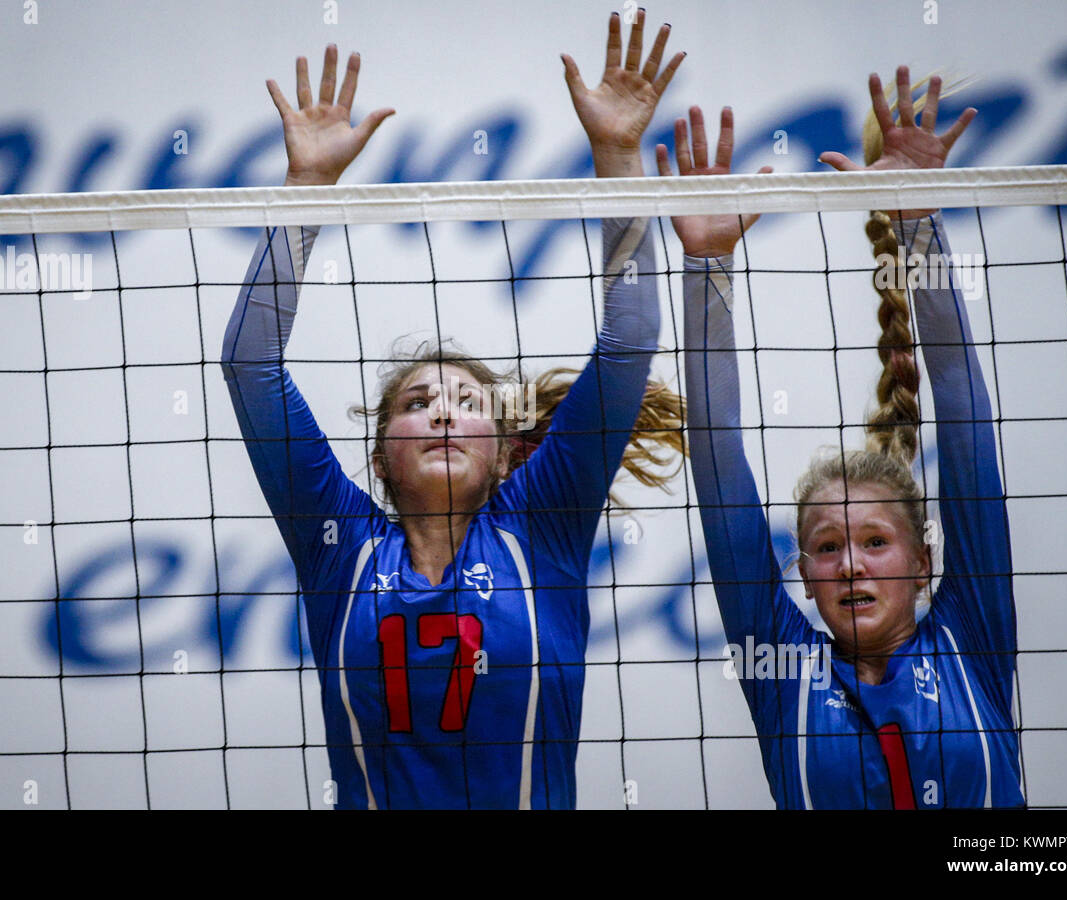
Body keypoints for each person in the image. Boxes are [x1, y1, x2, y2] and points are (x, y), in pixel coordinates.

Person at [221, 11, 685, 809]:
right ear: (378, 458)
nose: (440, 414)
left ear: (506, 454)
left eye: (467, 402)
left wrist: (617, 155)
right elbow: (248, 365)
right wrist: (305, 191)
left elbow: (631, 337)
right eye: (416, 402)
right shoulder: (338, 544)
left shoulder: (542, 526)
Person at [671, 68, 1024, 807]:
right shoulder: (782, 669)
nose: (851, 565)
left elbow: (960, 401)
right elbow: (713, 445)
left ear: (925, 561)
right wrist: (707, 263)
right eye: (827, 547)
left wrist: (918, 223)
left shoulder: (973, 635)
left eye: (874, 541)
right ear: (801, 574)